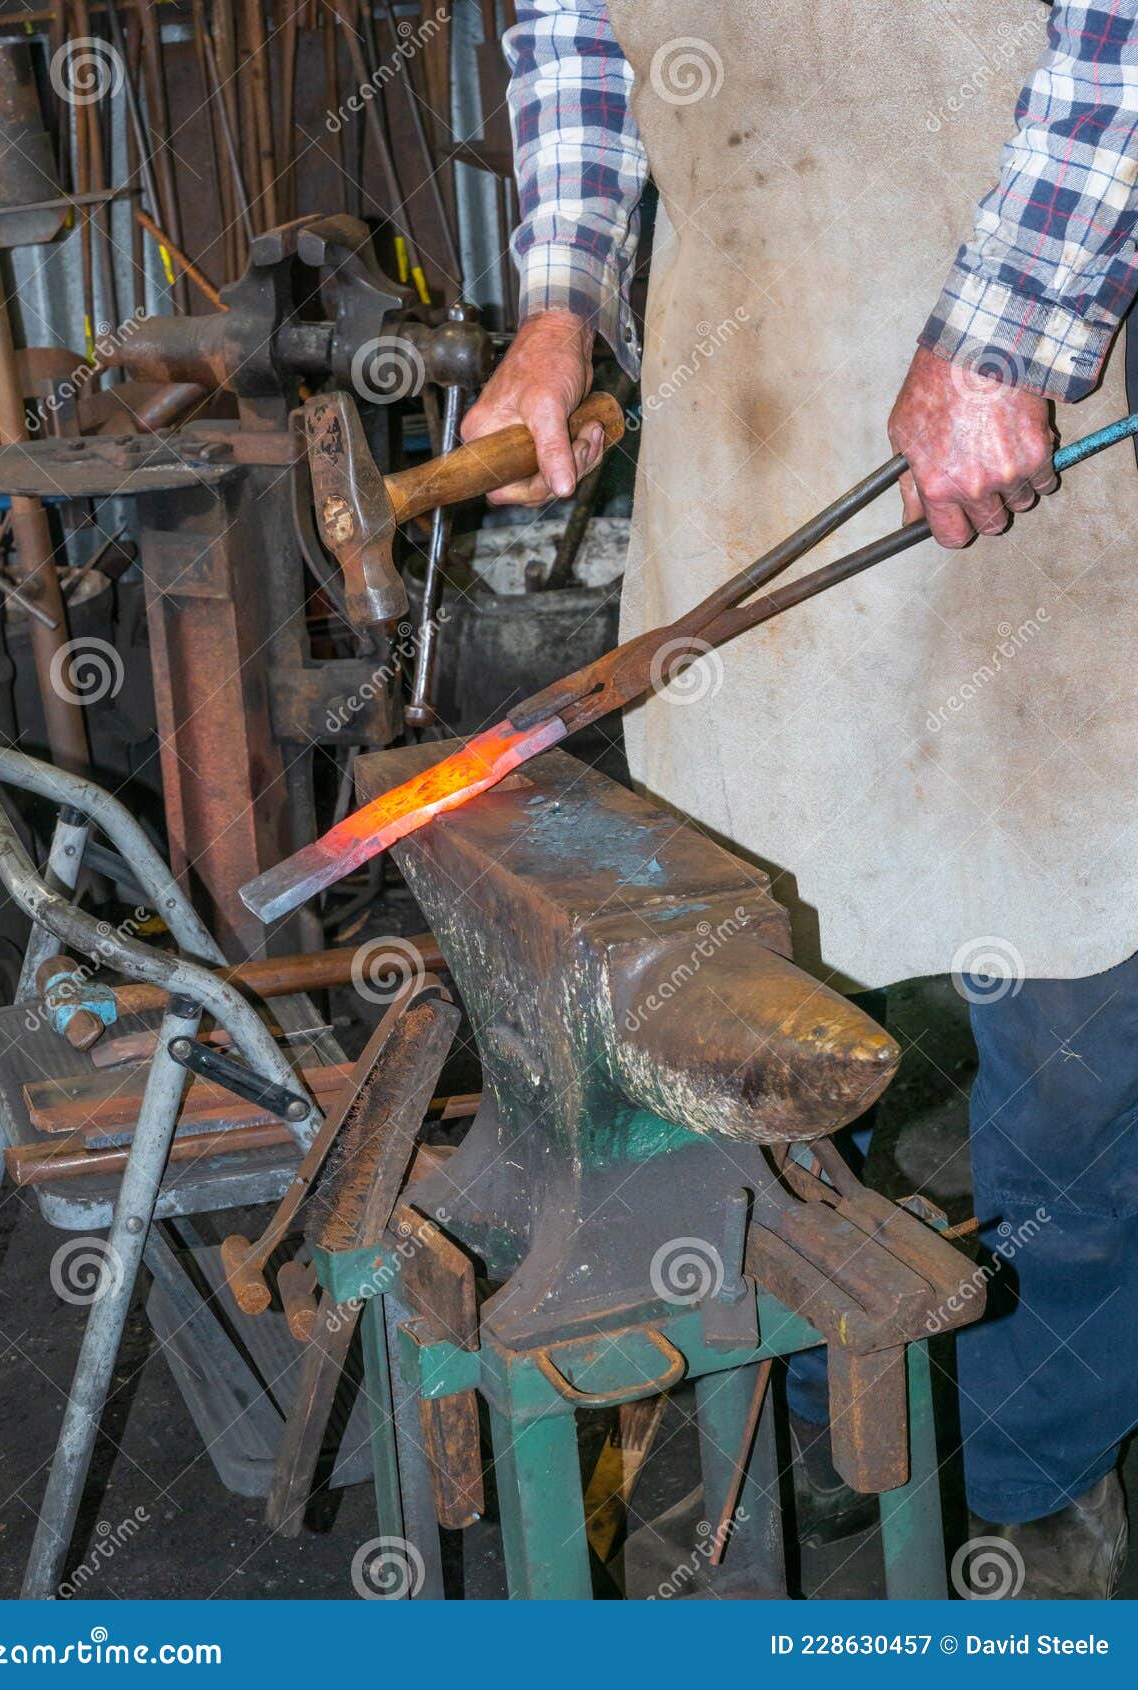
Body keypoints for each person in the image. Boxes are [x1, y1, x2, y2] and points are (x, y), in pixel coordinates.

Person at [462, 2, 1138, 1597]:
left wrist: (1008, 331)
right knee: (748, 1009)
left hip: (1037, 447)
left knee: (1069, 1032)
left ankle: (1041, 1461)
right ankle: (869, 1406)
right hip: (748, 416)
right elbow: (569, 36)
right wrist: (556, 305)